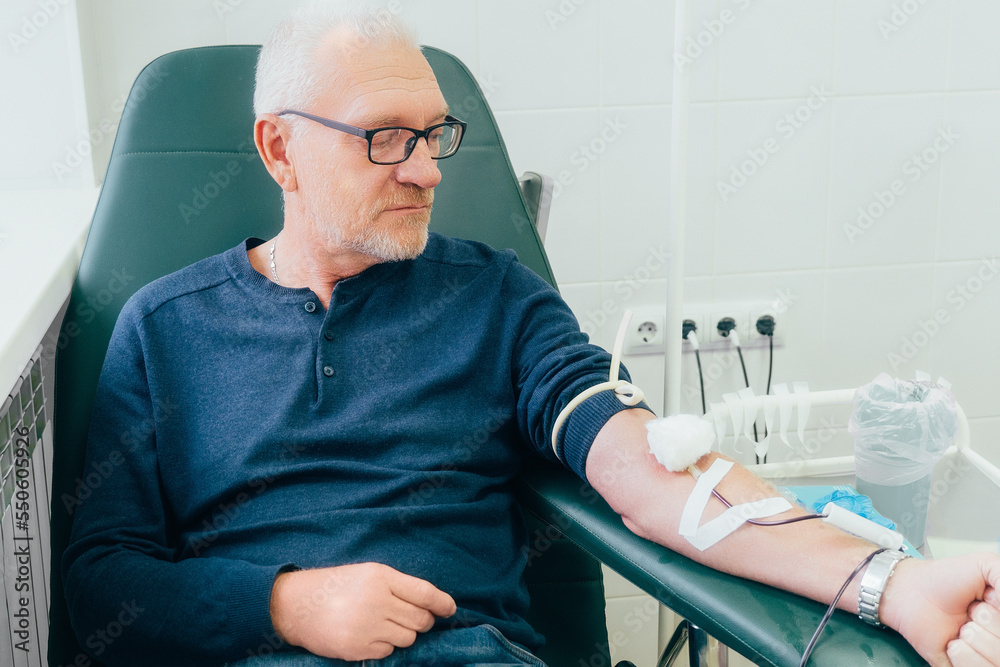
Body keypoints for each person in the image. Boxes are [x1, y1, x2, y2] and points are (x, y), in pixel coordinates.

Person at [62, 4, 1000, 666]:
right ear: (280, 150)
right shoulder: (166, 328)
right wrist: (287, 604)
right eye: (386, 136)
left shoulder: (494, 299)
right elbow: (101, 585)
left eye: (435, 134)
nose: (427, 169)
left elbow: (651, 471)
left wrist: (892, 581)